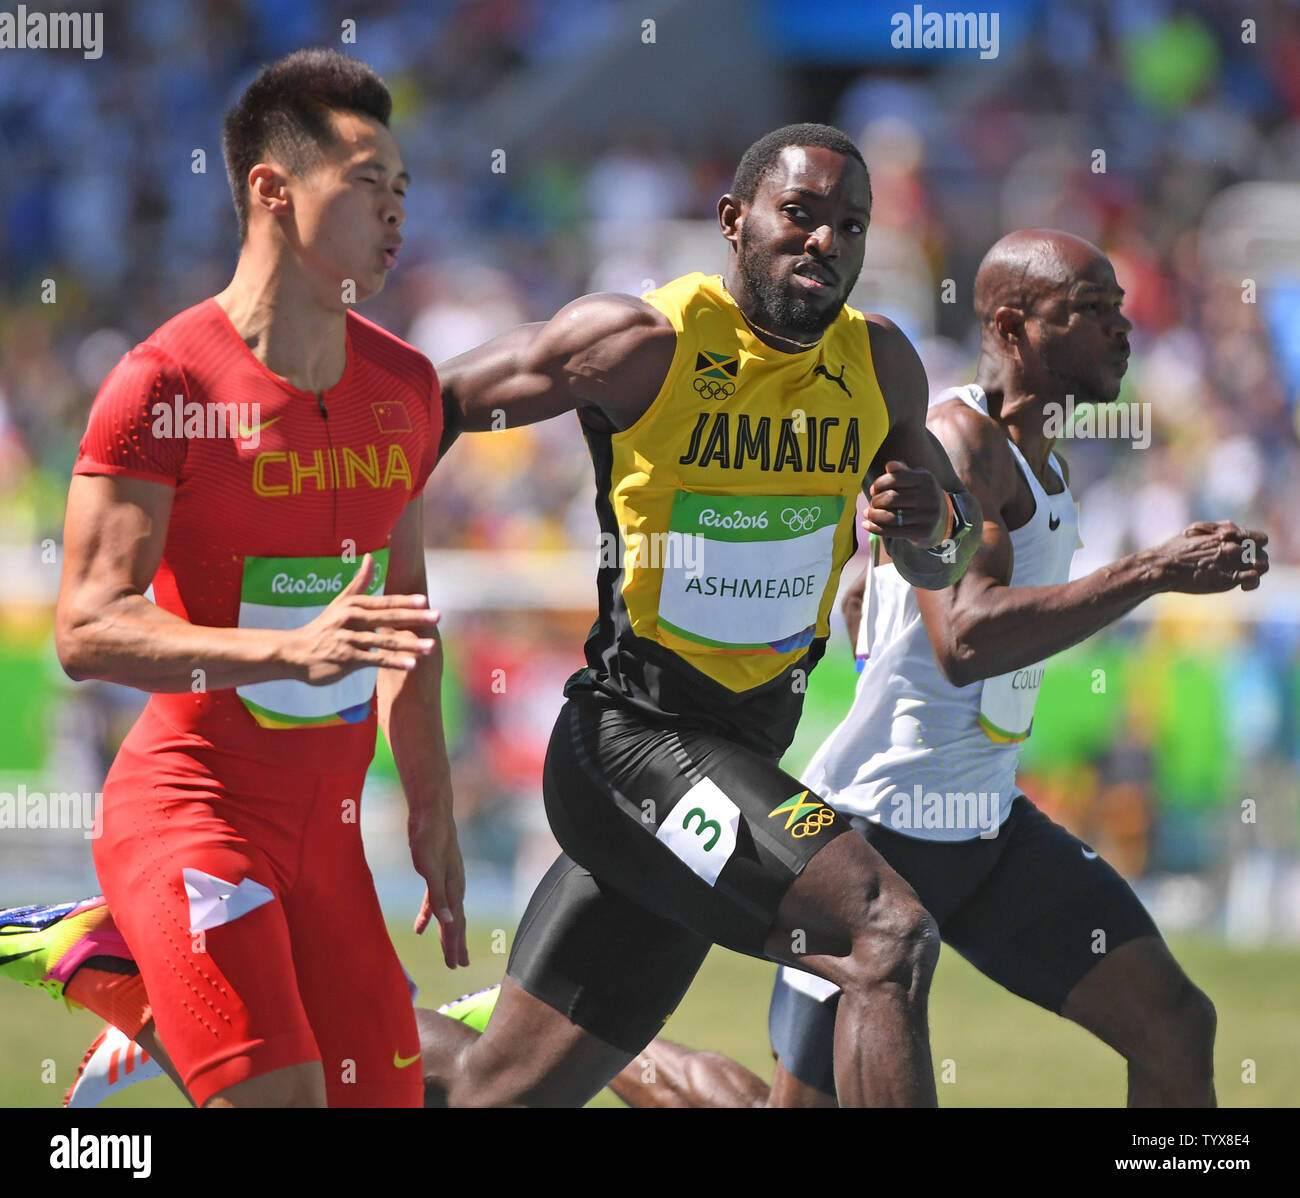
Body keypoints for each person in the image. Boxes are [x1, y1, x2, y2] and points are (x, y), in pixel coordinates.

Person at [6, 121, 984, 1109]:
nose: (824, 242)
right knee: (882, 930)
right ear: (734, 222)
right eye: (800, 214)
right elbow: (419, 408)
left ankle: (129, 974)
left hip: (743, 751)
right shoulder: (641, 343)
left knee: (491, 1092)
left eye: (848, 226)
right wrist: (320, 534)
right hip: (633, 746)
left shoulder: (881, 368)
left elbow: (946, 544)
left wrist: (927, 520)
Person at [594, 229, 1268, 1108]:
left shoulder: (1040, 454)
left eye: (1121, 309)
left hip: (984, 829)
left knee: (1175, 1022)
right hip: (874, 838)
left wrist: (868, 597)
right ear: (1014, 327)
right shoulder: (961, 436)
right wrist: (1152, 570)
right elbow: (966, 641)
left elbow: (891, 592)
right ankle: (603, 1050)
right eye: (1091, 310)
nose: (1122, 329)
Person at [45, 48, 466, 1109]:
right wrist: (282, 650)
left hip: (327, 846)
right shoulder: (163, 383)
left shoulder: (406, 384)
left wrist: (433, 814)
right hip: (192, 813)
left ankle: (137, 989)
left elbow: (406, 619)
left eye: (401, 189)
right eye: (366, 183)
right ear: (272, 191)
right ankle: (129, 960)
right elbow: (87, 627)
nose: (394, 213)